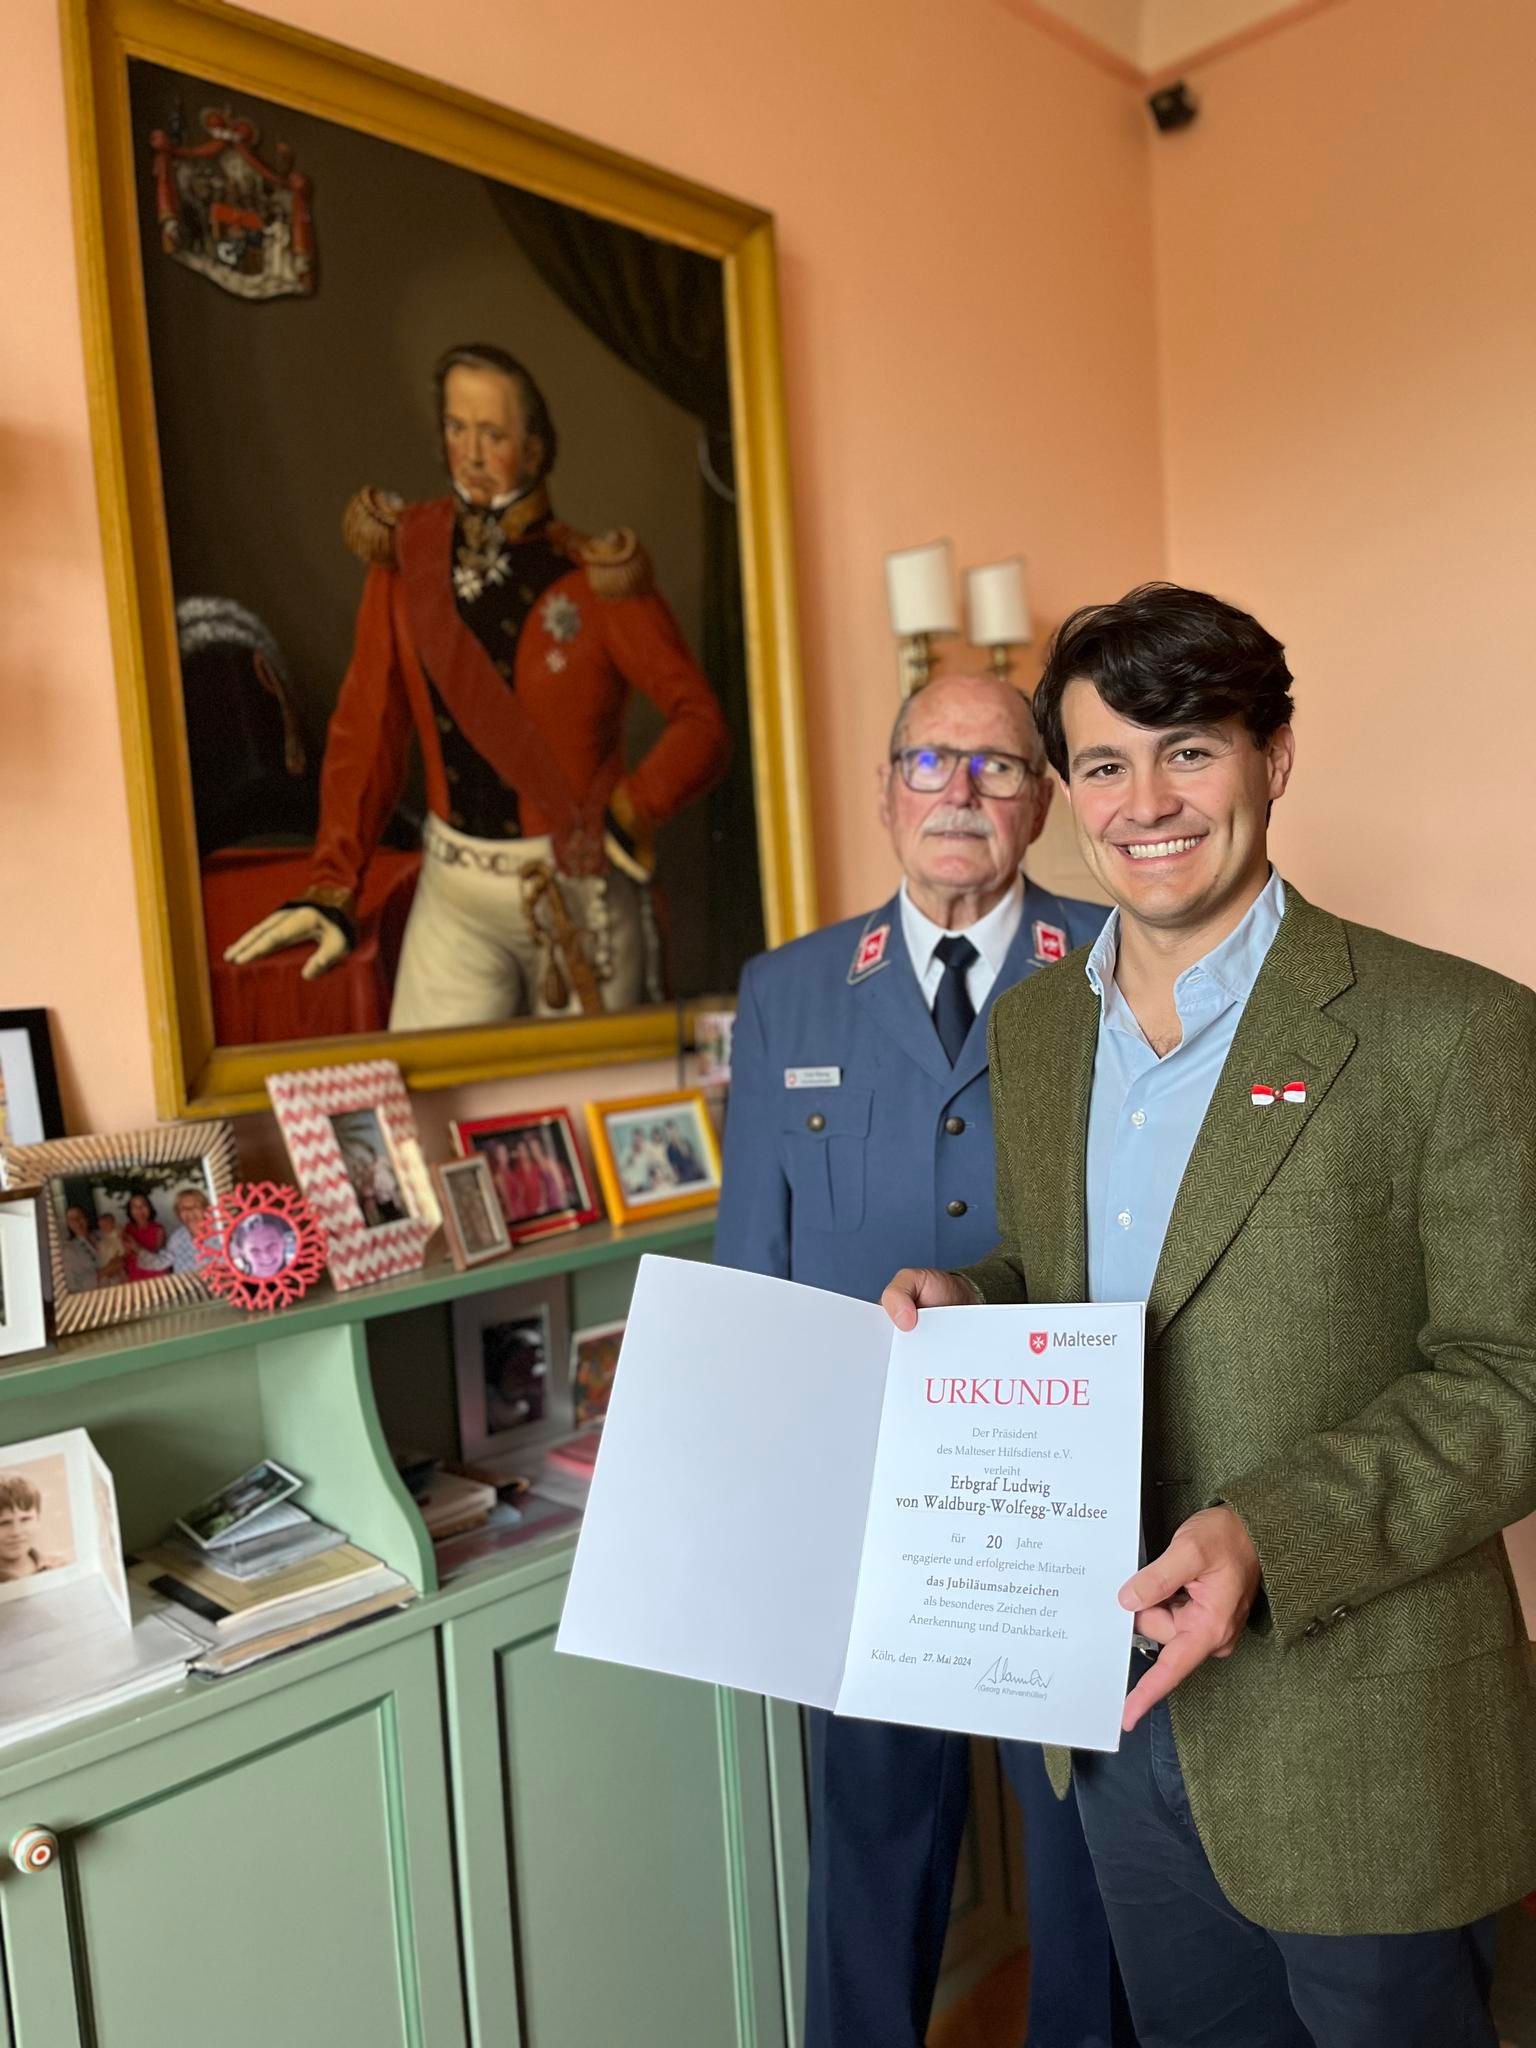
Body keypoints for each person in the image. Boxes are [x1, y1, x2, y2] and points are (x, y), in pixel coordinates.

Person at [882, 585, 1536, 2048]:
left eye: (1189, 750)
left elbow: (1517, 1373)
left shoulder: (1456, 1029)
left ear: (1273, 757)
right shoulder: (1041, 1027)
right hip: (1115, 1716)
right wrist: (971, 1300)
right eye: (1105, 764)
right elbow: (1070, 1276)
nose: (1147, 803)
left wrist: (1269, 1534)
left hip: (1364, 1736)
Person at [716, 672, 1130, 2048]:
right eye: (931, 761)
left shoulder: (1120, 958)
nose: (960, 791)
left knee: (1082, 1841)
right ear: (886, 787)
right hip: (861, 1492)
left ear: (1043, 800)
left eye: (999, 766)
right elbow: (753, 1261)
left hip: (1059, 1486)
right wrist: (756, 1492)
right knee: (871, 1834)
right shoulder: (789, 991)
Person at [222, 342, 731, 1025]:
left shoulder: (595, 577)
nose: (471, 453)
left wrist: (632, 807)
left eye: (493, 434)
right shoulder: (407, 562)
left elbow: (701, 723)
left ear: (536, 449)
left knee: (596, 1090)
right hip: (455, 896)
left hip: (578, 899)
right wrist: (333, 884)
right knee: (431, 1087)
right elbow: (367, 731)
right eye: (457, 429)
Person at [0, 1473, 68, 1581]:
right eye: (4, 1523)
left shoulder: (60, 1567)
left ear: (38, 1519)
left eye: (25, 1519)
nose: (16, 1532)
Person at [122, 1190, 174, 1280]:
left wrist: (136, 1248)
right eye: (134, 1207)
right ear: (130, 1211)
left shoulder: (158, 1229)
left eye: (143, 1205)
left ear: (149, 1207)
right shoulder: (128, 1228)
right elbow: (125, 1254)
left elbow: (158, 1259)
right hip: (134, 1272)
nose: (139, 1210)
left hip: (154, 1273)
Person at [167, 1187, 211, 1273]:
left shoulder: (220, 1232)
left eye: (195, 1206)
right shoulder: (176, 1238)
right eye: (184, 1208)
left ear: (205, 1209)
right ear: (178, 1213)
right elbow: (165, 1261)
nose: (190, 1211)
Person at [60, 1205, 100, 1294]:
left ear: (86, 1218)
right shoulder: (68, 1249)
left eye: (79, 1217)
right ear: (68, 1224)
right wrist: (105, 1271)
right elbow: (74, 1283)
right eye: (72, 1219)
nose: (77, 1221)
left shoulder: (101, 1235)